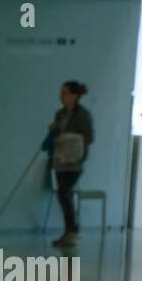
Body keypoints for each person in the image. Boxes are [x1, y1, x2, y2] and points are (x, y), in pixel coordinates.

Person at [44, 80, 94, 248]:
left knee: (65, 192)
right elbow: (58, 133)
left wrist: (72, 140)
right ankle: (69, 231)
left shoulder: (82, 115)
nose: (61, 96)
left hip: (74, 161)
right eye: (61, 93)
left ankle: (73, 230)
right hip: (60, 159)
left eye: (65, 93)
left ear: (74, 96)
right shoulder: (60, 114)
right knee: (63, 194)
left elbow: (88, 136)